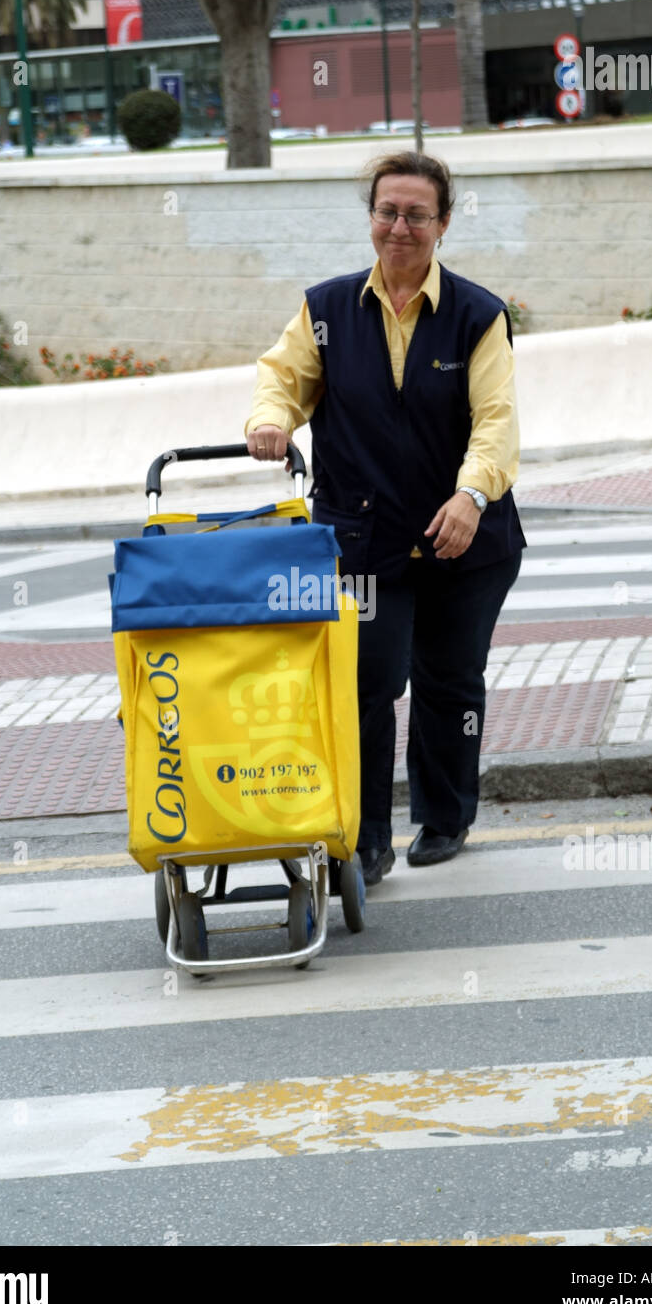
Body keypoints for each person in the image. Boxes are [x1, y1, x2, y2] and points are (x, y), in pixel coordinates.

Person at [245, 151, 525, 885]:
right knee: (368, 683)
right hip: (364, 541)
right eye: (387, 212)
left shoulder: (479, 316)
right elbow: (283, 378)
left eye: (416, 215)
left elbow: (496, 422)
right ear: (371, 217)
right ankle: (364, 837)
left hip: (466, 538)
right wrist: (272, 421)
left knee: (450, 679)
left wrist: (471, 496)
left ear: (443, 224)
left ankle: (445, 816)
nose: (399, 228)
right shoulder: (328, 309)